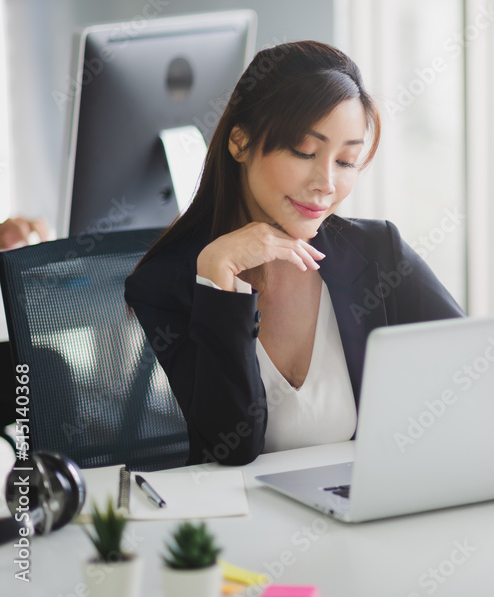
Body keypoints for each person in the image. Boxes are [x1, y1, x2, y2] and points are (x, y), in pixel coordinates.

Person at [125, 41, 464, 466]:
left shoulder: (378, 253)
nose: (325, 183)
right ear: (240, 143)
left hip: (363, 509)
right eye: (305, 152)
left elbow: (473, 374)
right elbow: (232, 449)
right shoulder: (166, 282)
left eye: (346, 161)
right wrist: (219, 278)